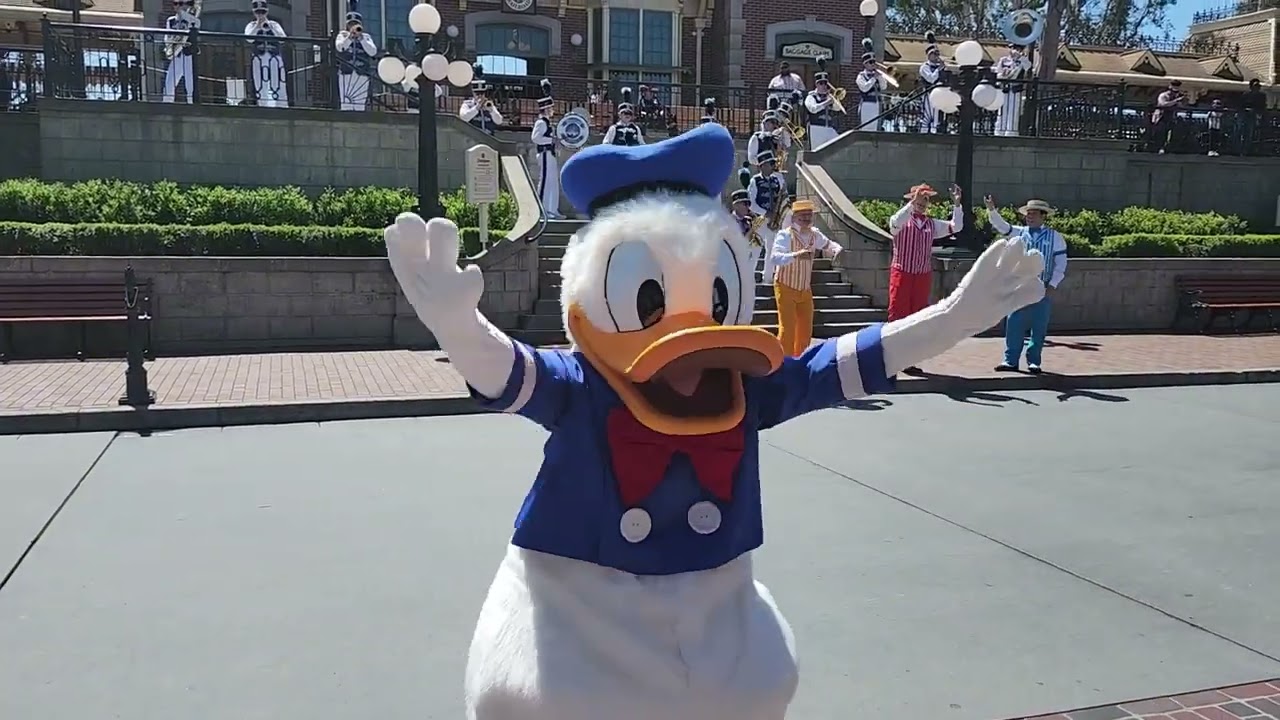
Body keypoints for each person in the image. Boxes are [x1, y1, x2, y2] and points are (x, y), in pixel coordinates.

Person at [886, 183, 963, 373]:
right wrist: (912, 203)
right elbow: (894, 225)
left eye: (926, 199)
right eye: (920, 198)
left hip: (922, 274)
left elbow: (956, 227)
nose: (923, 202)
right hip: (902, 272)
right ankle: (891, 357)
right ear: (911, 200)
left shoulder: (932, 224)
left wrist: (957, 205)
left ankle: (908, 359)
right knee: (897, 313)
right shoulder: (902, 219)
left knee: (917, 317)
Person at [986, 195, 1068, 374]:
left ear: (1043, 216)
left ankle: (1034, 361)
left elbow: (1061, 263)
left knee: (1039, 325)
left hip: (1041, 286)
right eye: (1028, 214)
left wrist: (1052, 284)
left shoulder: (1055, 237)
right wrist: (992, 209)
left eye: (1034, 214)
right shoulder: (1019, 232)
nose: (1029, 217)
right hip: (1019, 287)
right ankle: (1010, 360)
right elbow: (1002, 226)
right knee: (1014, 322)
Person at [770, 199, 843, 357]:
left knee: (805, 330)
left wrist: (836, 250)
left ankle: (800, 361)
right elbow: (775, 258)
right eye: (802, 215)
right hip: (785, 286)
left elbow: (828, 245)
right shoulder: (785, 235)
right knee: (787, 330)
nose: (806, 218)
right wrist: (796, 255)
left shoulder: (814, 234)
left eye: (809, 215)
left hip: (804, 289)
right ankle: (783, 362)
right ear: (794, 216)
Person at [334, 0, 376, 111]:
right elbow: (340, 47)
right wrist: (350, 38)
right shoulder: (342, 35)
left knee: (360, 104)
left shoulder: (366, 37)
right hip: (346, 73)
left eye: (355, 24)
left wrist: (361, 39)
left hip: (361, 73)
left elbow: (373, 51)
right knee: (346, 102)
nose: (353, 26)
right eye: (351, 24)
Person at [245, 0, 288, 108]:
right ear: (254, 13)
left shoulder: (274, 24)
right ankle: (263, 105)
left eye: (262, 12)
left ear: (267, 12)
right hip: (259, 58)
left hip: (274, 57)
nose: (260, 14)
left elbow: (282, 38)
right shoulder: (251, 25)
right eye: (258, 12)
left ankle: (280, 105)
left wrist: (270, 26)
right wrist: (257, 26)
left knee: (277, 81)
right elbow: (249, 39)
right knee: (260, 82)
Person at [531, 79, 563, 219]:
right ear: (545, 109)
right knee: (544, 181)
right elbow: (535, 138)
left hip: (550, 153)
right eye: (551, 108)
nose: (552, 111)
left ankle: (552, 209)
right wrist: (551, 140)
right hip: (544, 153)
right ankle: (541, 209)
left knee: (552, 181)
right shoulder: (541, 122)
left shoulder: (548, 123)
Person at [161, 0, 200, 104]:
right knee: (169, 83)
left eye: (180, 4)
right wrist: (169, 46)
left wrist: (183, 14)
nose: (177, 6)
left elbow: (197, 24)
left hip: (189, 55)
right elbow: (167, 37)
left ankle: (192, 108)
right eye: (175, 4)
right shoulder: (171, 20)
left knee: (190, 86)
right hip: (176, 54)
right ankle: (167, 107)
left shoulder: (192, 19)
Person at [993, 42, 1031, 137]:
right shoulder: (1003, 60)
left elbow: (1028, 66)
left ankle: (1011, 133)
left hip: (1015, 90)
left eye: (1019, 49)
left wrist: (1021, 58)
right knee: (1002, 112)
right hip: (1004, 89)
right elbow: (998, 73)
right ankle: (999, 132)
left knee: (1013, 112)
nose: (1015, 51)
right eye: (1014, 48)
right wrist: (1004, 75)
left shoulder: (1023, 61)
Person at [746, 104, 790, 174]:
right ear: (763, 124)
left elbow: (787, 148)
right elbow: (751, 159)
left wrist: (784, 134)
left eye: (775, 123)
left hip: (778, 174)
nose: (773, 125)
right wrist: (767, 162)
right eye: (770, 122)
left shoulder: (779, 136)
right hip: (762, 173)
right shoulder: (756, 137)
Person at [918, 34, 946, 134]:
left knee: (937, 119)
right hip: (928, 95)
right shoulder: (924, 67)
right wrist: (939, 69)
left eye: (937, 53)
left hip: (939, 95)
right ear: (929, 55)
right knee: (927, 118)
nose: (936, 56)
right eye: (934, 53)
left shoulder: (940, 67)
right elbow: (931, 79)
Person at [803, 70, 838, 149]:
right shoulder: (811, 97)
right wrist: (826, 103)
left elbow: (837, 109)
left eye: (825, 84)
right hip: (815, 128)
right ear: (816, 84)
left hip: (829, 128)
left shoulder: (828, 96)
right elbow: (813, 109)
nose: (824, 86)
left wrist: (834, 100)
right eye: (821, 83)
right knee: (817, 152)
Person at [1148, 80, 1185, 154]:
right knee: (1160, 133)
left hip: (1171, 118)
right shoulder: (1163, 95)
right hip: (1161, 117)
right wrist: (1175, 101)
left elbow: (1182, 108)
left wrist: (1180, 101)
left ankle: (1167, 148)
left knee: (1170, 134)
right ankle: (1158, 148)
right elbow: (1163, 104)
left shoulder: (1177, 97)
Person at [854, 52, 887, 132]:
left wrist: (880, 77)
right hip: (867, 105)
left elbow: (884, 87)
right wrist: (873, 78)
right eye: (870, 62)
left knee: (876, 127)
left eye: (874, 62)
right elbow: (864, 88)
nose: (873, 64)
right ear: (865, 64)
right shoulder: (861, 76)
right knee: (866, 126)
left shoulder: (877, 75)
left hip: (877, 104)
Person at [747, 151, 785, 218]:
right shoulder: (755, 180)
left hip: (776, 218)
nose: (774, 166)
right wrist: (765, 213)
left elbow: (783, 198)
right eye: (771, 164)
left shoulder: (776, 179)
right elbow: (751, 203)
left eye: (773, 163)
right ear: (762, 166)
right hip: (760, 218)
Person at [1237, 78, 1265, 156]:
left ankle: (1248, 151)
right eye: (1255, 86)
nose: (1257, 88)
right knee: (1241, 132)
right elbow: (1240, 105)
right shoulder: (1245, 95)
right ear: (1251, 86)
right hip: (1244, 115)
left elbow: (1262, 106)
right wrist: (1245, 110)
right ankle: (1240, 150)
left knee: (1250, 133)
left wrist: (1258, 113)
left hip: (1254, 116)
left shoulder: (1262, 96)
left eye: (1258, 86)